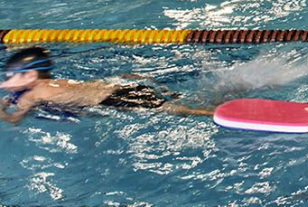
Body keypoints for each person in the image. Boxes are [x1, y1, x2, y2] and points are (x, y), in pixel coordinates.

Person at [1, 47, 212, 123]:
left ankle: (212, 113)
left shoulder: (31, 95)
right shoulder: (54, 82)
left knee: (183, 111)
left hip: (112, 99)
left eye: (11, 77)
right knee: (180, 103)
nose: (7, 83)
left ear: (29, 76)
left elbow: (13, 120)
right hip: (117, 86)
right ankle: (219, 100)